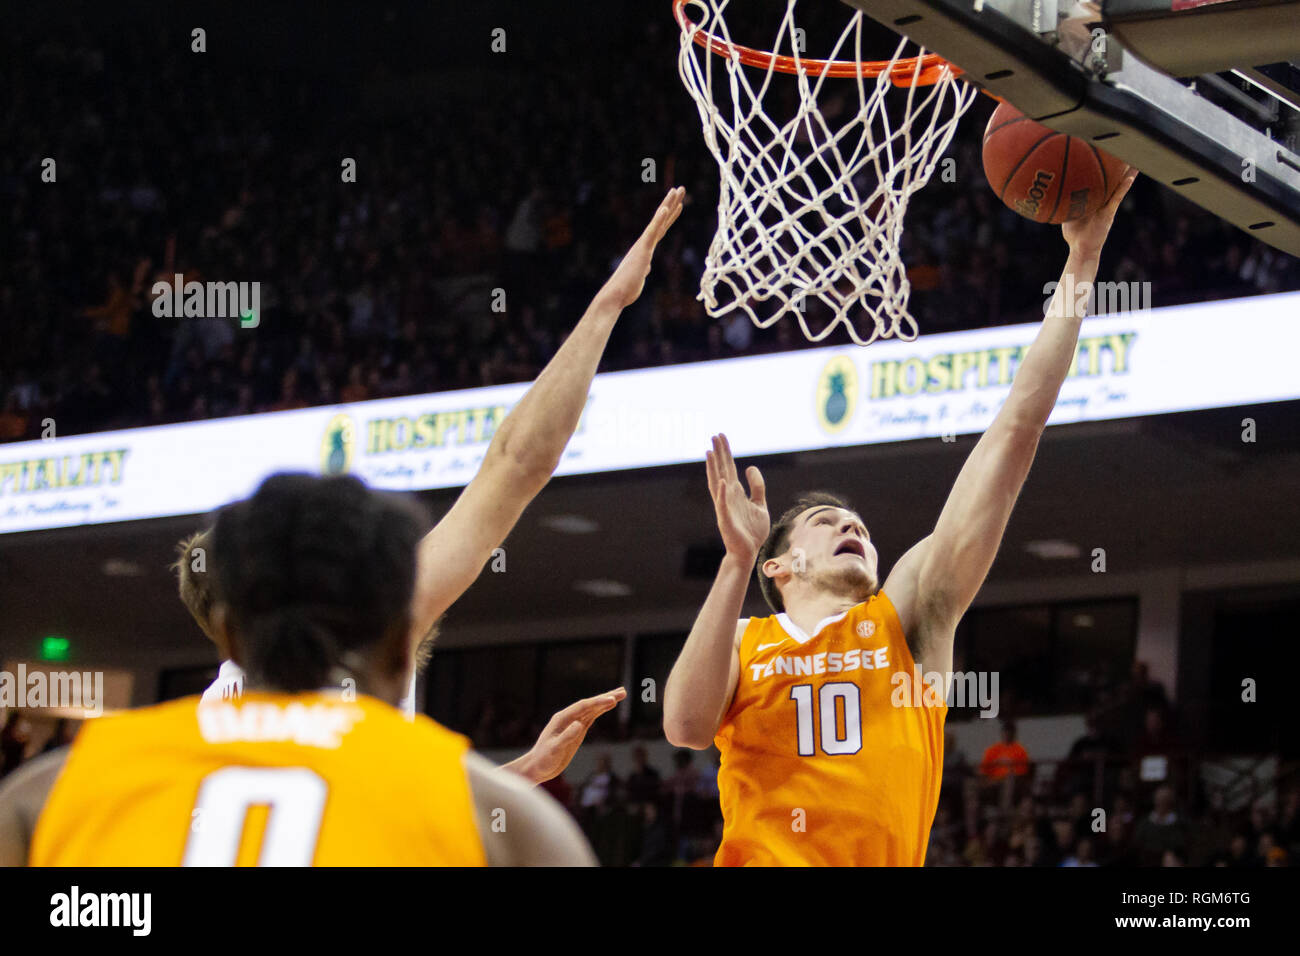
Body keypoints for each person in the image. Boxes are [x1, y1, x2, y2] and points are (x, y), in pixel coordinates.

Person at [662, 171, 1139, 865]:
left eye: (858, 524)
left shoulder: (909, 614)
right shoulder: (744, 638)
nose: (852, 527)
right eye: (827, 521)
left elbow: (1016, 428)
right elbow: (683, 725)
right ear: (780, 563)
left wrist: (1083, 261)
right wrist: (734, 562)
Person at [0, 475, 587, 866]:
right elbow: (511, 469)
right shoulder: (478, 803)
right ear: (401, 634)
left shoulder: (59, 786)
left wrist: (522, 771)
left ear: (228, 629)